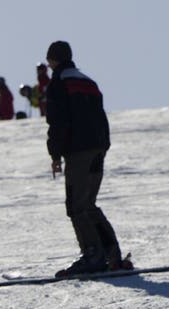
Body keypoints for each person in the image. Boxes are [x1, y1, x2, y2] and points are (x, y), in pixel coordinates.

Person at [45, 39, 130, 276]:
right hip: (98, 148)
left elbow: (58, 120)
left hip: (78, 150)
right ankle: (111, 254)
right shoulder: (88, 81)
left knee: (76, 205)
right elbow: (100, 116)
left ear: (53, 59)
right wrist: (103, 146)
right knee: (89, 203)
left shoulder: (59, 82)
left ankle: (92, 254)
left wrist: (55, 154)